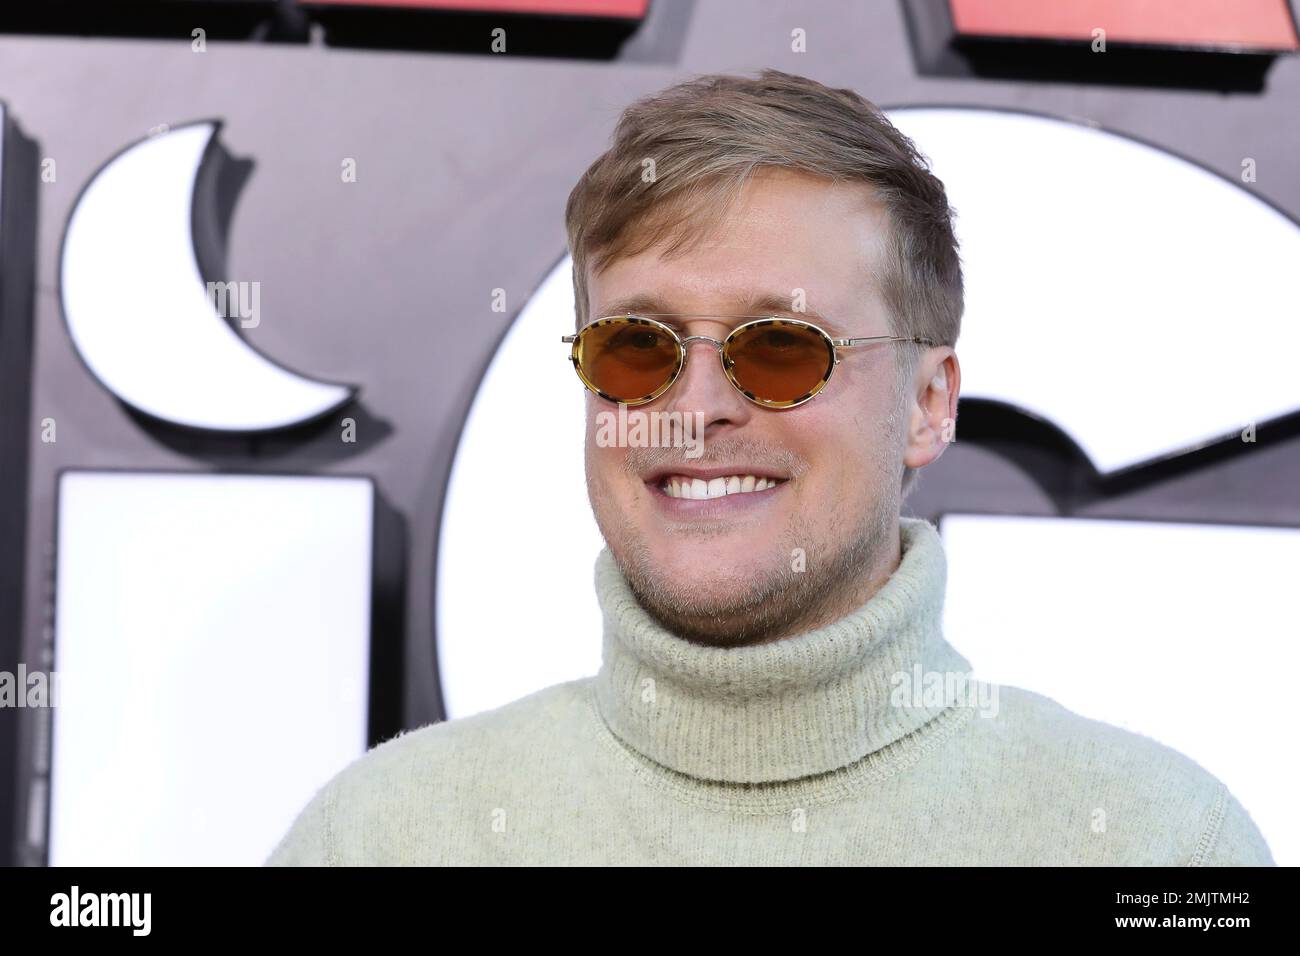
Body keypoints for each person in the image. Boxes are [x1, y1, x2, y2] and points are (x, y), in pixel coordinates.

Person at [268, 69, 1272, 865]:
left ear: (929, 403)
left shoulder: (1157, 848)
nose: (696, 409)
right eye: (638, 348)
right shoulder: (380, 840)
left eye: (781, 348)